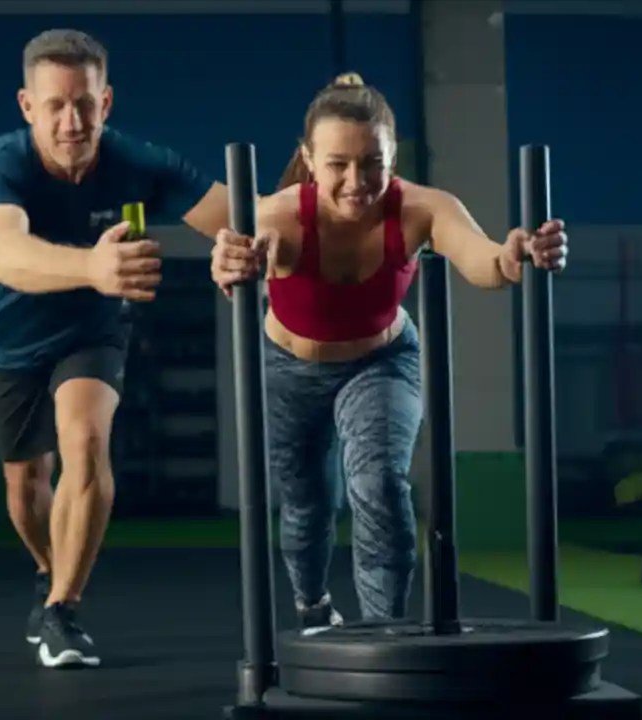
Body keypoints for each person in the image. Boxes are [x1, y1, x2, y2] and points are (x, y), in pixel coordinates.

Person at [210, 73, 568, 628]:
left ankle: (385, 634)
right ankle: (313, 605)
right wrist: (230, 262)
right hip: (288, 368)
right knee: (306, 504)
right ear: (308, 158)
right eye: (338, 165)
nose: (357, 181)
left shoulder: (421, 208)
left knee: (377, 484)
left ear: (392, 156)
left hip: (382, 362)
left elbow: (483, 260)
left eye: (373, 163)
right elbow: (242, 252)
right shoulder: (279, 215)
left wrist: (513, 256)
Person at [0, 29, 230, 668]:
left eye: (84, 104)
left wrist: (265, 230)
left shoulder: (139, 162)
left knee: (84, 440)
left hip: (92, 333)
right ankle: (49, 569)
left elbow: (242, 214)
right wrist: (93, 268)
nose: (72, 121)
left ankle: (62, 611)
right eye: (55, 105)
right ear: (28, 106)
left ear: (105, 102)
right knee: (26, 487)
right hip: (7, 339)